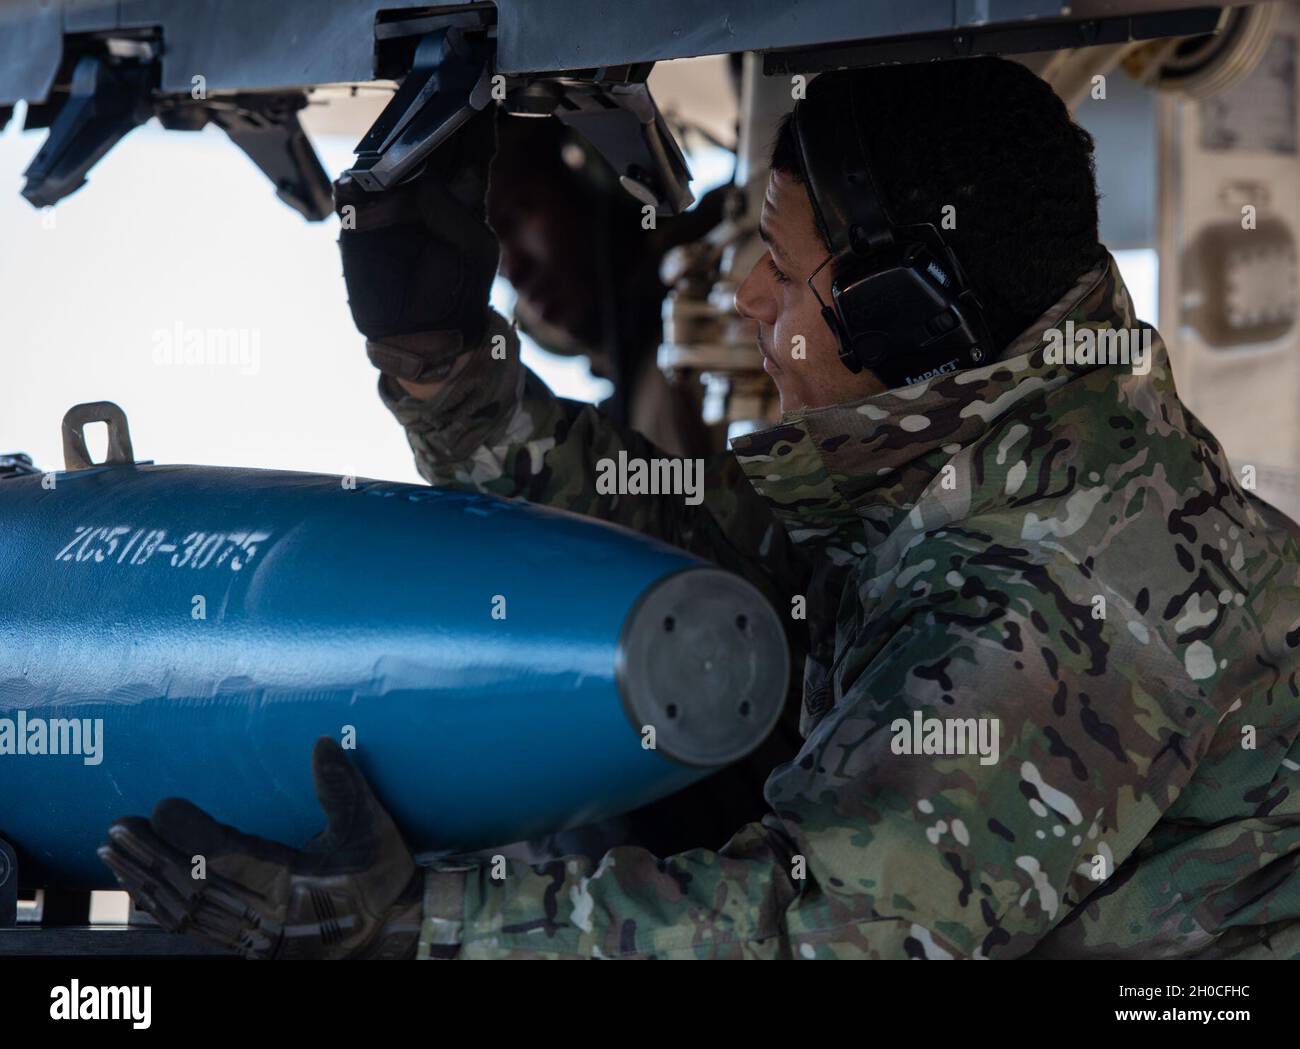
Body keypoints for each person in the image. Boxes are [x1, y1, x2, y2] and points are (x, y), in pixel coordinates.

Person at [102, 56, 1300, 960]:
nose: (739, 286)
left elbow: (821, 928)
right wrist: (447, 371)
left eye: (782, 264)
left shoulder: (1063, 592)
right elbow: (701, 558)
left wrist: (415, 919)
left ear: (907, 314)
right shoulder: (1010, 453)